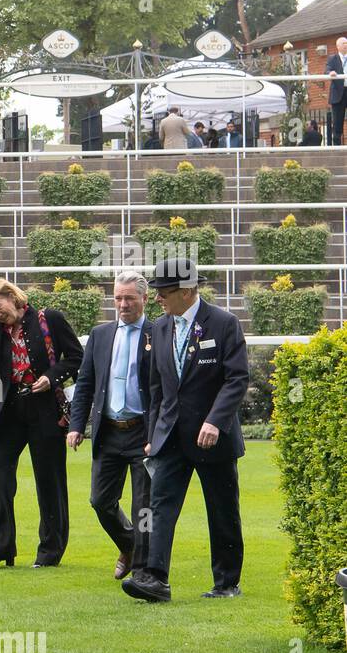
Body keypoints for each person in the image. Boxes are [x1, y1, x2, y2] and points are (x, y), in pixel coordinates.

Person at [122, 258, 248, 603]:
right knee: (159, 507)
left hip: (212, 437)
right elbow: (156, 389)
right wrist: (152, 435)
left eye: (165, 290)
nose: (158, 296)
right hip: (170, 437)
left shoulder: (223, 323)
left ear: (188, 290)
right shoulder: (160, 328)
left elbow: (237, 378)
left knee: (221, 509)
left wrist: (215, 420)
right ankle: (155, 579)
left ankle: (226, 583)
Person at [0, 278, 83, 568]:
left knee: (49, 480)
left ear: (13, 296)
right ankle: (2, 548)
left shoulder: (49, 319)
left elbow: (76, 358)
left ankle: (50, 551)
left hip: (45, 409)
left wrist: (52, 376)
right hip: (10, 411)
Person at [67, 273, 153, 581]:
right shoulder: (100, 335)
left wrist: (159, 432)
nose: (123, 304)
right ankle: (129, 546)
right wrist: (76, 425)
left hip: (143, 432)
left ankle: (144, 571)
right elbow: (85, 383)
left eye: (129, 298)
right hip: (108, 431)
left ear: (145, 299)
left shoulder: (157, 334)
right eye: (118, 298)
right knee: (100, 501)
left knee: (144, 507)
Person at [326, 37, 347, 146]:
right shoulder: (332, 58)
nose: (346, 45)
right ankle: (337, 146)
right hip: (339, 93)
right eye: (343, 43)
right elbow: (327, 69)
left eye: (346, 43)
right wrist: (331, 72)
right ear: (338, 46)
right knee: (337, 122)